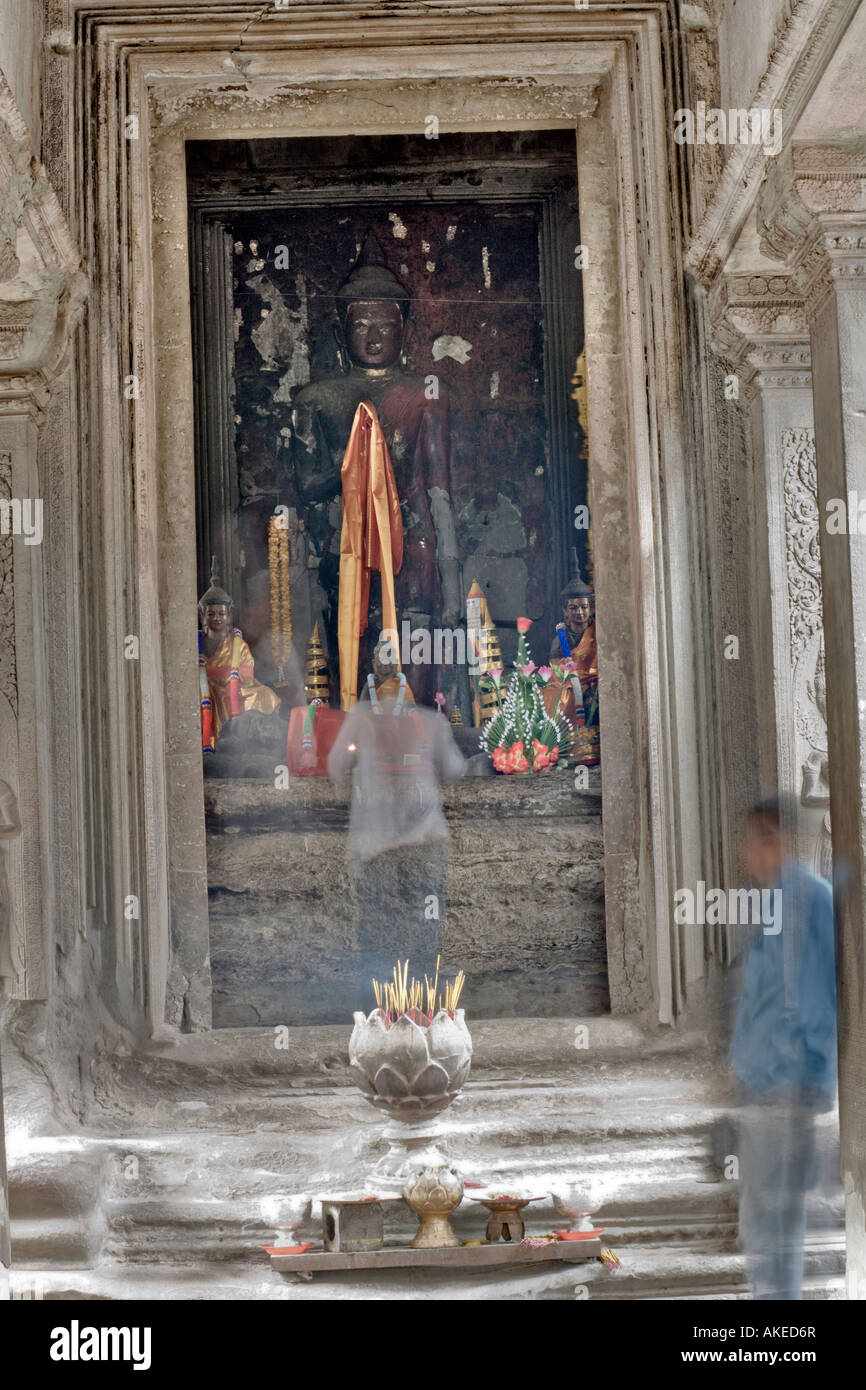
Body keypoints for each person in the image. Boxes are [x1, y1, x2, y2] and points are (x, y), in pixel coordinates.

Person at [730, 795, 837, 1300]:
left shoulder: (809, 899)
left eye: (761, 840)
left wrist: (809, 1081)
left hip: (789, 1088)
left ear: (782, 841)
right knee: (761, 1229)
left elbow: (816, 998)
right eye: (749, 842)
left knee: (781, 1234)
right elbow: (759, 996)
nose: (752, 852)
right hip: (758, 1082)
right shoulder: (765, 902)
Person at [328, 692, 464, 984]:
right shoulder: (431, 720)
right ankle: (422, 999)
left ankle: (380, 1008)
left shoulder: (360, 717)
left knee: (378, 932)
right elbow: (455, 769)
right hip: (425, 842)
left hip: (377, 845)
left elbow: (336, 765)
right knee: (424, 930)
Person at [198, 580, 281, 745]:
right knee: (215, 696)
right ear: (202, 616)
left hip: (234, 687)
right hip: (205, 689)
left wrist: (227, 679)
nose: (216, 618)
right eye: (211, 614)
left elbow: (246, 675)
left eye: (221, 614)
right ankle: (215, 741)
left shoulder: (238, 643)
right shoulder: (195, 642)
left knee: (265, 694)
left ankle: (254, 740)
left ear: (229, 616)